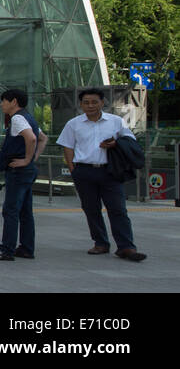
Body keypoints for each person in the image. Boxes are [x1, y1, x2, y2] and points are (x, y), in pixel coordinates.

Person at [56, 88, 146, 262]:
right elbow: (67, 146)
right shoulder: (73, 124)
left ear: (102, 103)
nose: (90, 106)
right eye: (86, 102)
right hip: (84, 170)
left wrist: (115, 144)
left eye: (94, 102)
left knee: (118, 209)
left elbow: (130, 141)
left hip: (110, 171)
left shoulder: (116, 121)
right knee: (91, 209)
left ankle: (126, 246)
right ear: (80, 104)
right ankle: (100, 242)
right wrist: (73, 170)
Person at [0, 89, 48, 261]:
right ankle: (26, 248)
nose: (2, 104)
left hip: (19, 170)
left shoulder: (18, 118)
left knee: (10, 210)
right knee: (25, 211)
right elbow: (43, 138)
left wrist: (26, 159)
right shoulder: (28, 117)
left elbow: (32, 138)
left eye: (4, 101)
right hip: (26, 171)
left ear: (14, 102)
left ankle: (6, 249)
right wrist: (33, 158)